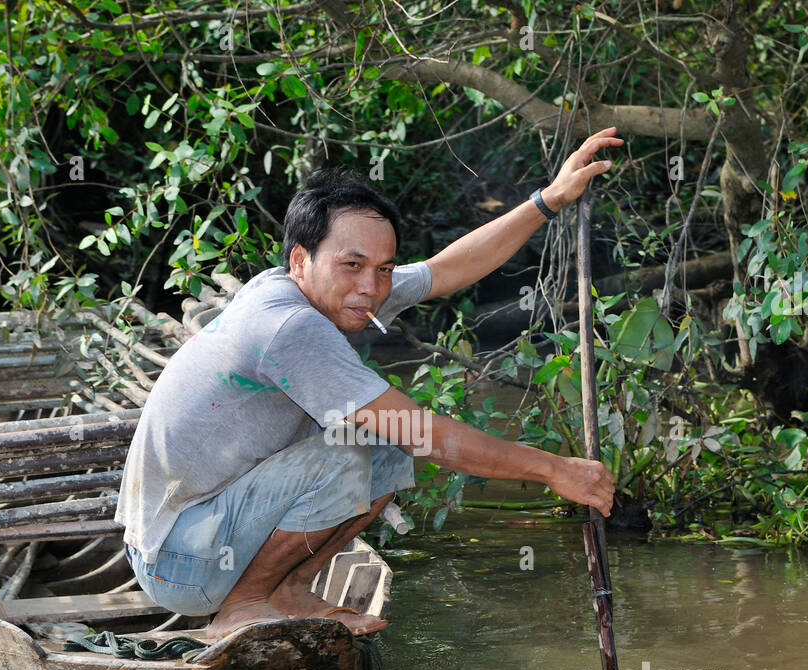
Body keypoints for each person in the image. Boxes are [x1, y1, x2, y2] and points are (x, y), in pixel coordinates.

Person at [115, 128, 624, 638]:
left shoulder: (337, 291)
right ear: (299, 259)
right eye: (353, 265)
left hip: (215, 530)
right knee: (359, 448)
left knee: (382, 446)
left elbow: (449, 268)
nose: (371, 287)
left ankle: (289, 590)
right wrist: (555, 469)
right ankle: (243, 605)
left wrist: (548, 200)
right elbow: (422, 432)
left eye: (383, 270)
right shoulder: (288, 326)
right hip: (176, 559)